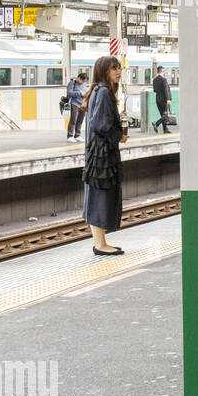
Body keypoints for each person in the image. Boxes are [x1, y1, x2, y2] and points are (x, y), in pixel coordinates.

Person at [80, 55, 127, 256]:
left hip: (94, 154)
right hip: (103, 156)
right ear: (103, 71)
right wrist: (120, 135)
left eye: (119, 68)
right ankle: (100, 245)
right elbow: (102, 125)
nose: (118, 72)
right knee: (103, 195)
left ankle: (99, 242)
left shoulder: (96, 90)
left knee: (96, 193)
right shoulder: (105, 92)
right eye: (113, 69)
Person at [65, 70, 88, 141]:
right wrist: (79, 93)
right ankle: (70, 135)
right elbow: (69, 93)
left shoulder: (83, 84)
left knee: (80, 120)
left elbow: (85, 91)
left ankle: (77, 135)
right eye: (82, 81)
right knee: (73, 120)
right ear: (79, 78)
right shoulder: (72, 83)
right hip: (74, 103)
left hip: (82, 104)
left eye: (84, 82)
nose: (83, 83)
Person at [152, 65, 172, 134]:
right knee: (165, 115)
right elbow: (166, 89)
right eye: (164, 71)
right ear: (162, 71)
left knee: (163, 115)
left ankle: (165, 129)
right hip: (164, 99)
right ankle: (156, 123)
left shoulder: (154, 80)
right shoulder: (164, 79)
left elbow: (154, 90)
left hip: (157, 99)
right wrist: (168, 99)